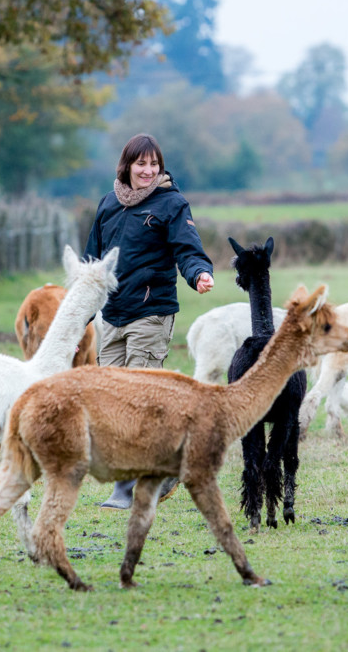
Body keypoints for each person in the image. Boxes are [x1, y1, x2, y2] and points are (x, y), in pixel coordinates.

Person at [85, 133, 214, 509]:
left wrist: (199, 273)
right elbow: (92, 264)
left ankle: (130, 487)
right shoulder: (108, 204)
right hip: (111, 315)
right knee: (111, 401)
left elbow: (187, 249)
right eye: (141, 163)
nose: (148, 170)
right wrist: (79, 320)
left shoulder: (172, 203)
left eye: (154, 163)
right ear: (126, 166)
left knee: (140, 399)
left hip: (151, 311)